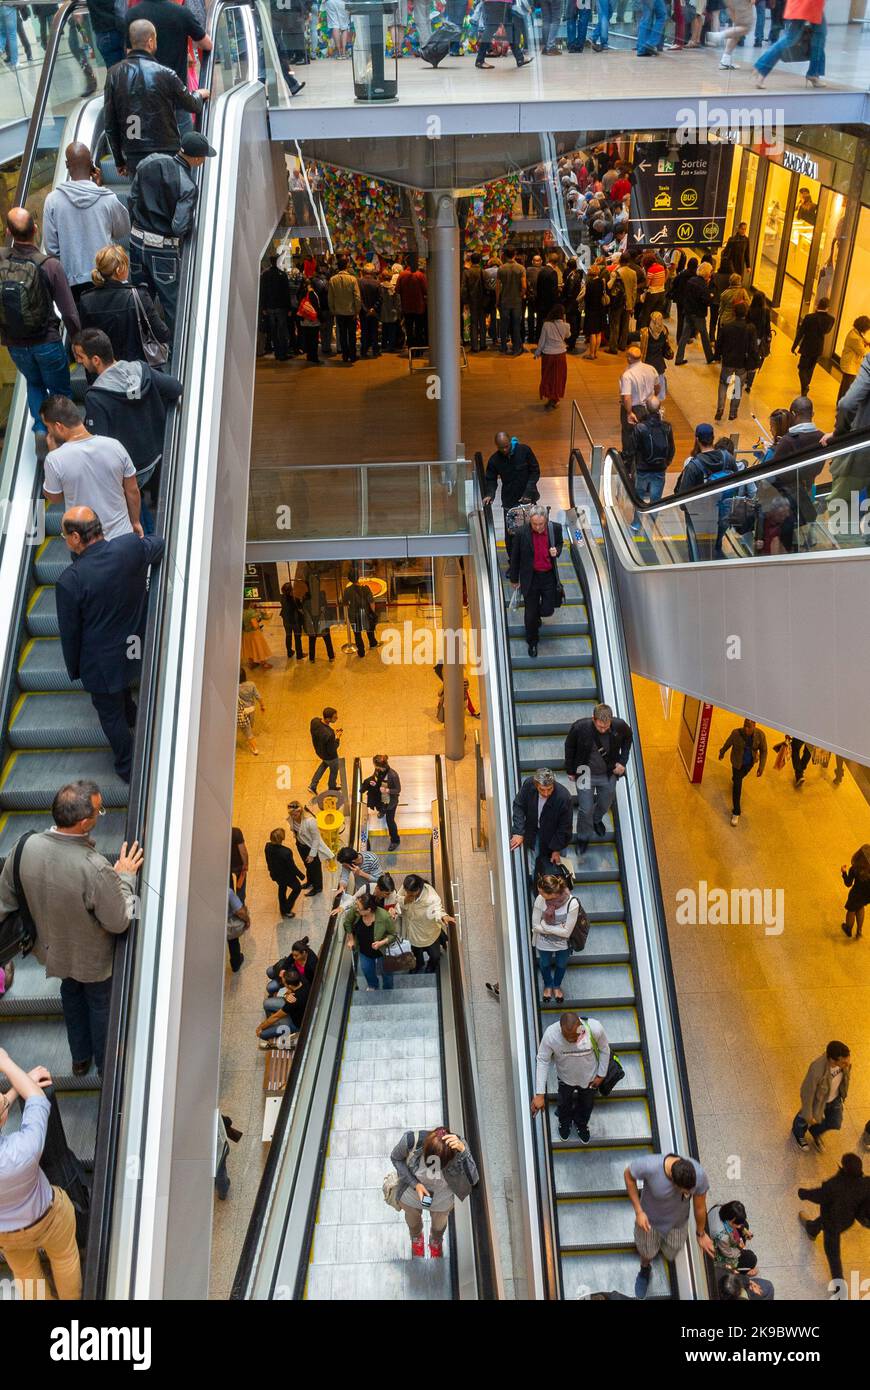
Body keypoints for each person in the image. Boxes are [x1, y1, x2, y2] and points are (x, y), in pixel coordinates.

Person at [0, 782, 142, 1075]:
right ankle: (106, 1066)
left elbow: (5, 900)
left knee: (71, 994)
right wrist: (126, 879)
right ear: (83, 823)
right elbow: (120, 920)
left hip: (51, 951)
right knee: (100, 1005)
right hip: (93, 960)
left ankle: (80, 1059)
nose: (101, 815)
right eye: (99, 810)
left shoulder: (23, 846)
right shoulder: (95, 868)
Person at [55, 509, 165, 782]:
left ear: (77, 537)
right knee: (124, 685)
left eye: (64, 535)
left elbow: (71, 633)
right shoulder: (128, 547)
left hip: (101, 661)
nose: (64, 540)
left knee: (110, 715)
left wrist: (75, 668)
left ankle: (128, 766)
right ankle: (135, 715)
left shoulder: (70, 580)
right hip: (134, 644)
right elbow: (158, 545)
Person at [0, 1049, 82, 1300]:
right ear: (3, 1119)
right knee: (65, 1258)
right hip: (48, 1216)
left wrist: (11, 1095)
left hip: (6, 1233)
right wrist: (8, 1065)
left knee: (25, 1274)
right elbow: (36, 1099)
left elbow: (8, 1105)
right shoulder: (23, 1148)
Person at [74, 329, 181, 502]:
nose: (78, 361)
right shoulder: (142, 369)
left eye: (81, 356)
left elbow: (100, 444)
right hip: (158, 452)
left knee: (131, 506)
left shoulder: (96, 396)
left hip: (132, 469)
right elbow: (175, 388)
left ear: (95, 359)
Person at [0, 208, 79, 441]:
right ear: (36, 229)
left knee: (34, 384)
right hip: (47, 341)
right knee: (60, 391)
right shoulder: (50, 265)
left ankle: (41, 430)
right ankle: (63, 436)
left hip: (15, 344)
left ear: (8, 232)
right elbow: (69, 311)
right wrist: (76, 340)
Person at [127, 129, 217, 332]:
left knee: (142, 300)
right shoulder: (188, 186)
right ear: (195, 158)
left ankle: (143, 348)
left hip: (135, 242)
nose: (203, 161)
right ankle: (174, 357)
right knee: (172, 305)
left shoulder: (149, 161)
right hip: (162, 250)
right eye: (203, 157)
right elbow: (178, 226)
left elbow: (131, 199)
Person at [104, 18, 210, 176]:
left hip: (134, 154)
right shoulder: (165, 74)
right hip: (166, 152)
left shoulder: (113, 74)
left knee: (140, 197)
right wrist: (199, 94)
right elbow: (192, 104)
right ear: (150, 41)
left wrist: (119, 160)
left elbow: (110, 124)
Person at [40, 394, 142, 541]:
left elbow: (55, 498)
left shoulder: (54, 459)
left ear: (58, 426)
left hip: (85, 543)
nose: (49, 433)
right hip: (122, 535)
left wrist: (53, 453)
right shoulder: (115, 445)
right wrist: (135, 522)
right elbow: (132, 490)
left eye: (48, 427)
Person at [42, 143, 131, 304]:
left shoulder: (52, 201)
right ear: (91, 163)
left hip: (72, 281)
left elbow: (51, 248)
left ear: (67, 165)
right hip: (106, 274)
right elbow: (123, 230)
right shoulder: (107, 198)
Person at [625, 1152, 714, 1299]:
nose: (687, 1195)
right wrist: (639, 1211)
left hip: (678, 1224)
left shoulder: (698, 1174)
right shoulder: (650, 1165)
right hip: (649, 1223)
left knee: (671, 1251)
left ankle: (658, 1253)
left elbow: (699, 1207)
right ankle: (645, 1269)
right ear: (673, 1182)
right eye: (685, 1192)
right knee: (647, 1252)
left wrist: (701, 1234)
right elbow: (628, 1176)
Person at [390, 1127, 479, 1259]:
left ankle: (436, 1240)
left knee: (439, 1224)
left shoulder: (459, 1148)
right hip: (412, 1193)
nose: (434, 1168)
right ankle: (416, 1237)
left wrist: (464, 1152)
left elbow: (474, 1179)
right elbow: (396, 1158)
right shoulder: (411, 1141)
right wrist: (415, 1184)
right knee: (412, 1218)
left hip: (442, 1198)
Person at [127, 0, 212, 135]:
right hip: (177, 99)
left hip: (145, 100)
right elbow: (207, 44)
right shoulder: (182, 13)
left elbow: (129, 53)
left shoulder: (132, 15)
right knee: (184, 148)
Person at [78, 244, 170, 367]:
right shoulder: (139, 296)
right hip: (137, 369)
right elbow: (163, 334)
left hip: (104, 371)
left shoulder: (86, 300)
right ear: (120, 270)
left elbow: (87, 341)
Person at [565, 703, 633, 854]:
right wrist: (570, 770)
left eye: (606, 727)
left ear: (611, 720)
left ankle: (596, 819)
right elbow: (569, 747)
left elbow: (628, 739)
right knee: (585, 809)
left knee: (605, 803)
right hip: (584, 773)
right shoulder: (580, 727)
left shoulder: (619, 725)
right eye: (600, 726)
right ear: (593, 719)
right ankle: (583, 837)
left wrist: (622, 762)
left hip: (608, 774)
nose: (603, 729)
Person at [532, 1010, 610, 1141]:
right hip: (565, 1079)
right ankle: (565, 1122)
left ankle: (581, 1124)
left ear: (580, 1025)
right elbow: (543, 1060)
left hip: (590, 1079)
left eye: (575, 1037)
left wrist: (601, 1075)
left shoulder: (595, 1028)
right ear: (560, 1030)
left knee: (587, 1105)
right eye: (567, 1037)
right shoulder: (551, 1035)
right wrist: (540, 1094)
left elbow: (604, 1050)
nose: (571, 1040)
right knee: (563, 1104)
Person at [798, 1152, 870, 1283]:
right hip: (847, 1220)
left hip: (833, 1223)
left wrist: (803, 1193)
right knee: (821, 1222)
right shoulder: (866, 1183)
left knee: (833, 1255)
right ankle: (812, 1229)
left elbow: (819, 1195)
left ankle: (839, 1287)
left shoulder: (835, 1185)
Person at [509, 504, 563, 658]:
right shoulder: (521, 533)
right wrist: (514, 578)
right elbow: (515, 557)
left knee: (548, 609)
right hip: (530, 578)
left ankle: (537, 616)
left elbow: (560, 544)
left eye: (541, 524)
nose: (538, 527)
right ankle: (532, 642)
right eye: (534, 524)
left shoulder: (555, 529)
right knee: (530, 613)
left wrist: (557, 551)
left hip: (548, 577)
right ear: (530, 521)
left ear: (546, 520)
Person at [482, 431, 540, 566]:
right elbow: (490, 479)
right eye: (501, 447)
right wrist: (490, 494)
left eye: (506, 446)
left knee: (531, 531)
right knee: (512, 535)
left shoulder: (524, 450)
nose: (504, 450)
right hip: (509, 502)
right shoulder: (495, 460)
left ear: (510, 442)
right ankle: (514, 564)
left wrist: (529, 490)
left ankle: (531, 561)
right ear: (496, 446)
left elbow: (535, 471)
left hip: (528, 500)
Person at [510, 768, 573, 878]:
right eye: (542, 790)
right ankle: (539, 888)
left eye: (549, 789)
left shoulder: (563, 797)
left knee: (556, 869)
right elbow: (518, 805)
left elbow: (565, 827)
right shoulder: (529, 785)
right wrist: (518, 832)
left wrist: (556, 849)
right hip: (535, 832)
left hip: (555, 836)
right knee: (537, 865)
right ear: (536, 785)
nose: (546, 793)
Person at [792, 1041, 851, 1152]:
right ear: (832, 1060)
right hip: (819, 1100)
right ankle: (798, 1133)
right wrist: (808, 1114)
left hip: (835, 1098)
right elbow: (807, 1092)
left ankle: (815, 1131)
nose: (847, 1064)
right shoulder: (817, 1069)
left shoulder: (844, 1064)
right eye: (844, 1062)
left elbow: (845, 1078)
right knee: (804, 1118)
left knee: (835, 1122)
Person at [532, 873, 581, 1001]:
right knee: (544, 963)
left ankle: (556, 985)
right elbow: (535, 926)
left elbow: (566, 933)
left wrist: (546, 927)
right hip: (543, 943)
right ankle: (548, 985)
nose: (539, 893)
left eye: (542, 892)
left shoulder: (572, 903)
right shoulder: (540, 900)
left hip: (563, 944)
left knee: (561, 964)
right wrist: (559, 929)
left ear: (552, 894)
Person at [755, 0, 827, 86]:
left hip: (809, 5)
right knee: (790, 38)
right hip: (805, 4)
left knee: (819, 35)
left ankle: (814, 73)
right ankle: (761, 67)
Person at [397, 873, 455, 974]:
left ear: (418, 889)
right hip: (413, 932)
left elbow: (437, 909)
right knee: (415, 952)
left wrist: (443, 916)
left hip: (428, 932)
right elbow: (398, 898)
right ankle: (418, 965)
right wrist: (405, 900)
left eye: (411, 893)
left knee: (435, 955)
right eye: (407, 892)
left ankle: (431, 965)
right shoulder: (406, 887)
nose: (408, 895)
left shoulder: (431, 897)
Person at [342, 891, 399, 990]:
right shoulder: (355, 911)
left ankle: (388, 988)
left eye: (359, 908)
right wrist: (351, 939)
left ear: (368, 910)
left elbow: (393, 934)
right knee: (367, 970)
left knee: (386, 971)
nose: (356, 909)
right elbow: (347, 923)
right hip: (364, 950)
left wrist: (381, 942)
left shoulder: (384, 916)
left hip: (382, 951)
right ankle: (373, 985)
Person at [718, 717, 767, 827]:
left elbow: (764, 750)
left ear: (754, 726)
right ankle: (736, 812)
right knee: (737, 786)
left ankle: (736, 779)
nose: (746, 729)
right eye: (745, 726)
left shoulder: (760, 735)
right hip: (737, 764)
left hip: (749, 763)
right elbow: (728, 743)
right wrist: (722, 752)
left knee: (739, 778)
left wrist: (761, 767)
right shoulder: (736, 733)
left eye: (748, 727)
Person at [715, 302, 758, 423]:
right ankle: (733, 412)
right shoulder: (750, 328)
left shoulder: (727, 327)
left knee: (723, 384)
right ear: (746, 313)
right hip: (742, 362)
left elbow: (719, 343)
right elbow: (753, 347)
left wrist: (717, 355)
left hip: (728, 360)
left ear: (734, 312)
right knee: (738, 387)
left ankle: (720, 408)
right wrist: (756, 361)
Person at [619, 345, 659, 469]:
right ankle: (644, 457)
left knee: (628, 433)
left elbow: (627, 397)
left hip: (635, 408)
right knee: (646, 433)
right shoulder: (651, 368)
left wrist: (629, 412)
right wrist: (652, 399)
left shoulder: (628, 375)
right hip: (649, 407)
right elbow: (657, 386)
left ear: (629, 358)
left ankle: (628, 459)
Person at [674, 422, 738, 495]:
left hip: (702, 505)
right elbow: (738, 482)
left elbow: (683, 497)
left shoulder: (693, 466)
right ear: (713, 437)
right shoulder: (728, 457)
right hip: (724, 505)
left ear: (697, 439)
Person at [632, 395, 674, 504]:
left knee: (639, 497)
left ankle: (637, 521)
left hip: (643, 468)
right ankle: (652, 519)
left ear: (646, 408)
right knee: (656, 499)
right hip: (660, 468)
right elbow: (672, 449)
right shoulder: (667, 427)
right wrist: (666, 462)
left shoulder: (640, 427)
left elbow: (633, 448)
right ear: (660, 408)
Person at [286, 800, 331, 897]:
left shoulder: (310, 821)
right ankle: (310, 882)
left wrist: (312, 854)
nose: (293, 817)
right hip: (300, 845)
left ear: (300, 811)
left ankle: (318, 887)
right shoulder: (291, 818)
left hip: (310, 847)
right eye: (291, 814)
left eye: (295, 814)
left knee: (315, 868)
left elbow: (316, 839)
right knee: (307, 865)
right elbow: (294, 828)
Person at [256, 966, 310, 1045]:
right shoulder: (303, 981)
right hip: (299, 1010)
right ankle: (275, 1026)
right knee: (266, 1003)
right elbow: (289, 991)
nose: (283, 983)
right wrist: (287, 995)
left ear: (290, 985)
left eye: (284, 983)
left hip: (297, 1023)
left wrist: (261, 1027)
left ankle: (279, 1039)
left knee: (262, 1033)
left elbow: (276, 1017)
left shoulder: (293, 1000)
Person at [673, 262, 715, 366]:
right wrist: (711, 295)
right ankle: (709, 357)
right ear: (706, 273)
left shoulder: (691, 281)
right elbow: (707, 301)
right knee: (704, 335)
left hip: (688, 312)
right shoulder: (702, 285)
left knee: (684, 336)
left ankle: (679, 358)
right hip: (698, 314)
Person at [792, 297, 835, 395]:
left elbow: (801, 333)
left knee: (802, 368)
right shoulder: (830, 319)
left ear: (818, 305)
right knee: (811, 368)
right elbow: (827, 331)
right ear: (827, 307)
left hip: (807, 347)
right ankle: (806, 385)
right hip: (818, 348)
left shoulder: (809, 317)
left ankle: (805, 386)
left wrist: (794, 346)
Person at [475, 0, 534, 69]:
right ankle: (480, 60)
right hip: (497, 3)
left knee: (509, 30)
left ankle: (520, 58)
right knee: (491, 30)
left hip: (500, 3)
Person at [535, 302, 570, 410]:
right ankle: (555, 398)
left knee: (548, 377)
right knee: (559, 378)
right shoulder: (566, 326)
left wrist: (537, 352)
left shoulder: (546, 325)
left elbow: (542, 341)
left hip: (548, 355)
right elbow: (568, 335)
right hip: (561, 355)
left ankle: (551, 397)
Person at [364, 753, 401, 850]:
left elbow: (398, 789)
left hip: (390, 802)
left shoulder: (393, 775)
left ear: (380, 766)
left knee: (390, 821)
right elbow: (375, 777)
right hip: (381, 798)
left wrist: (387, 790)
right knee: (380, 807)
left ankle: (395, 840)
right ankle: (382, 811)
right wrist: (373, 782)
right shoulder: (378, 770)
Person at [327, 256, 361, 364]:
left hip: (339, 312)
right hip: (351, 312)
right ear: (346, 266)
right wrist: (357, 310)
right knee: (352, 335)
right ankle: (353, 355)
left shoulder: (332, 280)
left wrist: (333, 309)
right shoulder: (352, 279)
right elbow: (357, 297)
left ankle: (345, 355)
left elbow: (330, 297)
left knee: (342, 334)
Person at [260, 256, 293, 361]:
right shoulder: (282, 275)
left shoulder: (265, 275)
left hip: (270, 307)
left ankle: (277, 352)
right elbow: (286, 293)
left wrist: (263, 307)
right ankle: (282, 353)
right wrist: (289, 308)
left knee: (273, 330)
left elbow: (263, 292)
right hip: (281, 306)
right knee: (282, 330)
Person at [496, 246, 526, 356]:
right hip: (516, 300)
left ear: (505, 255)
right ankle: (516, 347)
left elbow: (498, 287)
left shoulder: (501, 268)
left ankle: (503, 346)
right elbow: (524, 286)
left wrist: (497, 300)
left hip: (504, 299)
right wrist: (521, 295)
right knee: (516, 324)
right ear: (515, 254)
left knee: (504, 324)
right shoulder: (521, 268)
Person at [639, 311, 672, 400]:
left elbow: (631, 336)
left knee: (646, 392)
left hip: (647, 365)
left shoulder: (645, 333)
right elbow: (666, 347)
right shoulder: (664, 331)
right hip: (659, 366)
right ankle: (657, 410)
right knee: (659, 395)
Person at [396, 257, 428, 349]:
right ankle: (419, 349)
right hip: (419, 307)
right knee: (419, 329)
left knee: (409, 329)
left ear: (406, 263)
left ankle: (410, 348)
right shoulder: (420, 275)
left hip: (406, 306)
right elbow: (426, 290)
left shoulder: (402, 275)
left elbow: (397, 290)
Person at [301, 576, 335, 661]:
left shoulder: (305, 599)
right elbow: (326, 610)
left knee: (312, 642)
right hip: (322, 624)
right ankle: (331, 656)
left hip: (311, 625)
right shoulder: (322, 596)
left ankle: (312, 658)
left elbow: (304, 614)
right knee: (327, 640)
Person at [343, 574, 378, 656]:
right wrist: (373, 612)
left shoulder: (347, 590)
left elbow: (345, 604)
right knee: (369, 630)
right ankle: (372, 643)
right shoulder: (366, 588)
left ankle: (361, 652)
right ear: (358, 578)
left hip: (354, 616)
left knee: (357, 634)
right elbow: (371, 602)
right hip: (365, 613)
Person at [309, 706, 341, 795]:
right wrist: (337, 738)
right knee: (334, 770)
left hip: (319, 751)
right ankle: (332, 788)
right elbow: (333, 748)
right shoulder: (329, 733)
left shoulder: (314, 721)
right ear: (328, 719)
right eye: (334, 717)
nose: (337, 718)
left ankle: (313, 785)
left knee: (324, 765)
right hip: (331, 757)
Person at [841, 846, 870, 939]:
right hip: (867, 895)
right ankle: (859, 931)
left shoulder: (854, 869)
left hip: (856, 894)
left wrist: (844, 873)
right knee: (861, 908)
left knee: (851, 910)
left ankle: (848, 929)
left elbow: (848, 883)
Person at [837, 315, 869, 401]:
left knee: (845, 386)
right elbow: (863, 353)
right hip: (850, 366)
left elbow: (862, 340)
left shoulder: (854, 332)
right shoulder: (856, 338)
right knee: (847, 387)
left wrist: (866, 342)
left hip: (849, 364)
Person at [237, 666, 265, 755]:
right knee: (250, 722)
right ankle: (249, 728)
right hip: (251, 709)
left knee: (247, 731)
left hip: (241, 711)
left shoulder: (235, 688)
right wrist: (262, 705)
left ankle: (255, 748)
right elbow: (258, 696)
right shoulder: (251, 684)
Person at [581, 263, 607, 359]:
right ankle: (595, 353)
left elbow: (587, 298)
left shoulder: (590, 284)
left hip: (592, 310)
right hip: (601, 309)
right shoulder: (602, 282)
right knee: (598, 332)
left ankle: (591, 354)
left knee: (592, 332)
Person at [358, 264, 382, 359]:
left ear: (363, 272)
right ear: (372, 273)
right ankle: (375, 351)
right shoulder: (377, 283)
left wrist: (365, 309)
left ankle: (364, 351)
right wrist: (373, 309)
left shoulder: (358, 282)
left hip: (363, 312)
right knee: (374, 331)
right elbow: (380, 298)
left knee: (364, 331)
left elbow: (358, 298)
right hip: (374, 312)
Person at [240, 604, 272, 669]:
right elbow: (255, 626)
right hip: (254, 634)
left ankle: (251, 663)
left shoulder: (241, 611)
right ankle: (264, 663)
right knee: (259, 648)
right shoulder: (251, 612)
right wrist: (259, 620)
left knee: (249, 649)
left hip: (246, 634)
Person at [280, 581, 304, 659]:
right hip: (295, 621)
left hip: (286, 621)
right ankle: (299, 655)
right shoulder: (295, 599)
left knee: (288, 636)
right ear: (290, 590)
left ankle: (289, 652)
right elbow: (300, 609)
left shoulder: (282, 598)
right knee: (297, 638)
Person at [229, 823, 248, 902]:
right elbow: (243, 852)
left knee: (229, 887)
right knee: (241, 886)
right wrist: (245, 864)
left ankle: (232, 906)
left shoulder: (217, 835)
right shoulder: (236, 832)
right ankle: (240, 906)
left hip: (226, 865)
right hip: (238, 864)